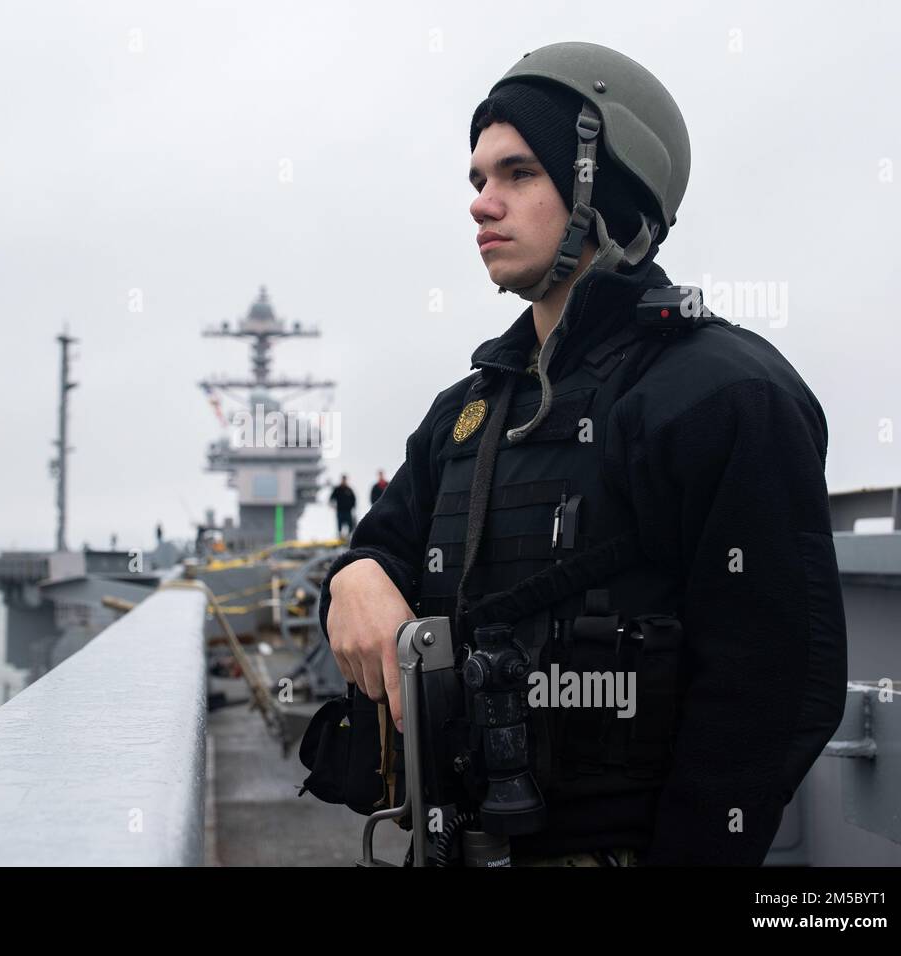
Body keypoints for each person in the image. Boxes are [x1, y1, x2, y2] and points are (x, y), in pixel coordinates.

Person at [312, 42, 847, 867]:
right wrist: (352, 577)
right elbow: (381, 547)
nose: (482, 204)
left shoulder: (722, 395)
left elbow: (770, 692)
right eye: (478, 180)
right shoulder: (470, 409)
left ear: (607, 184)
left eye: (518, 173)